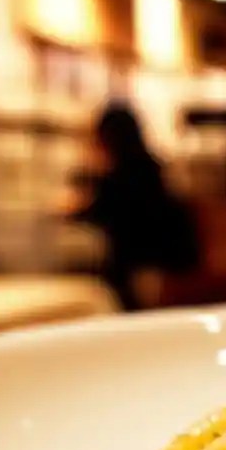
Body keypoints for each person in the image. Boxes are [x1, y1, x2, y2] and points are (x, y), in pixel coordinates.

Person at [76, 104, 199, 310]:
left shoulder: (119, 176)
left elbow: (102, 213)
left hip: (142, 262)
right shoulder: (151, 166)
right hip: (168, 259)